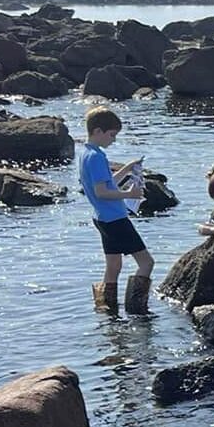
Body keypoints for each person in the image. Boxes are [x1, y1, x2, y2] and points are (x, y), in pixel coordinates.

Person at [78, 106, 154, 314]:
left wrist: (128, 168)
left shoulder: (86, 153)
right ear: (98, 132)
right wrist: (130, 195)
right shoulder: (97, 157)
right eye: (111, 135)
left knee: (114, 266)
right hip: (115, 219)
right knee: (146, 263)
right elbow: (102, 191)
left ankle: (107, 311)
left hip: (102, 218)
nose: (113, 140)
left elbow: (108, 183)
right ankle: (136, 311)